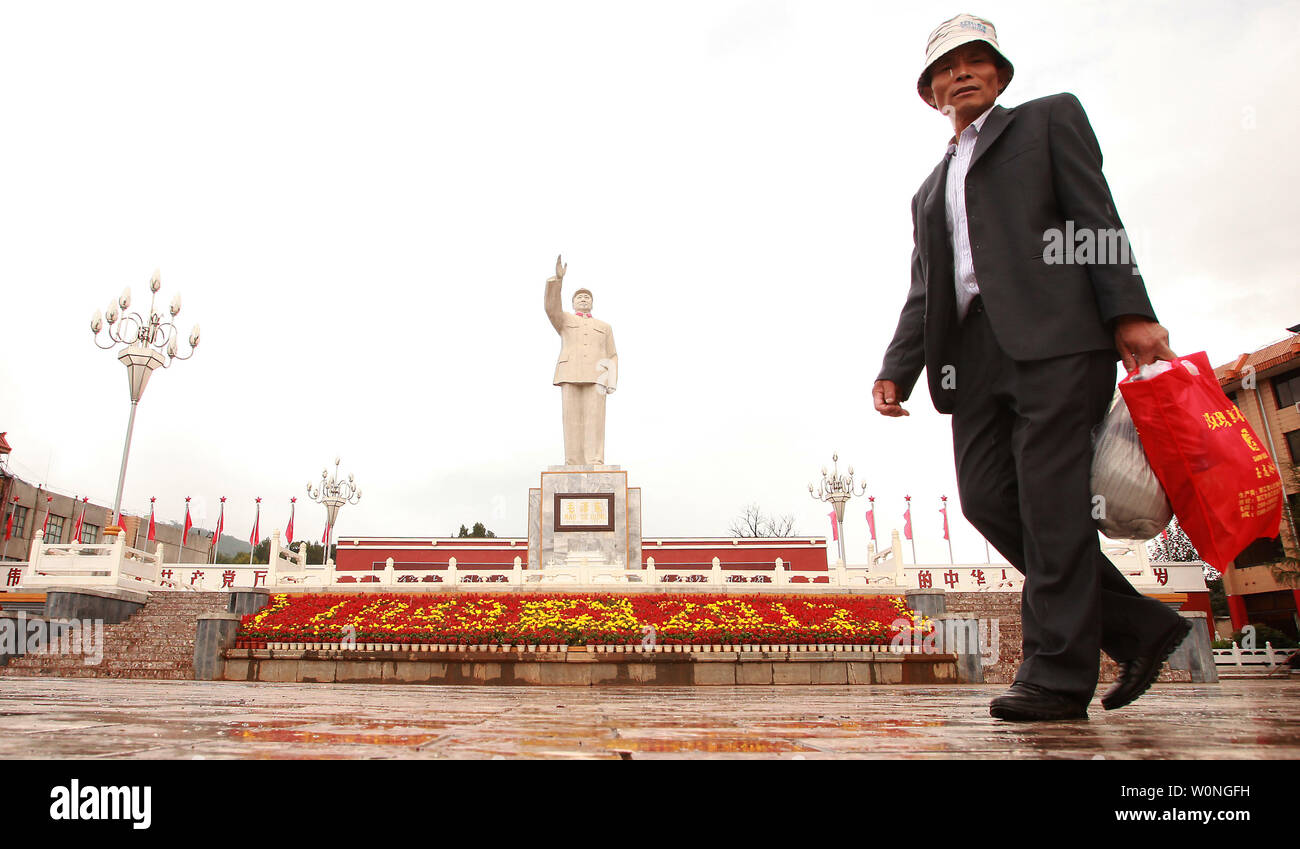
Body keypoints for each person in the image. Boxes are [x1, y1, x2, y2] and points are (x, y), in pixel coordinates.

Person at [873, 14, 1191, 720]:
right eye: (947, 66)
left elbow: (1094, 218)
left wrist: (1129, 312)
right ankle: (1140, 627)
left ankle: (1055, 677)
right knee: (988, 498)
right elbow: (928, 287)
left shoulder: (1047, 122)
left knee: (1052, 504)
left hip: (1058, 339)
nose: (963, 71)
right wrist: (898, 367)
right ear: (929, 93)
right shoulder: (928, 190)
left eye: (977, 60)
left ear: (1000, 74)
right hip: (972, 358)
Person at [545, 255, 618, 465]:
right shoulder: (565, 319)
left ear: (593, 303)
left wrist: (611, 380)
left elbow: (612, 354)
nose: (584, 299)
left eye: (587, 297)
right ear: (573, 302)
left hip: (597, 377)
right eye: (579, 297)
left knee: (595, 420)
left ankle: (595, 459)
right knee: (571, 419)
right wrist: (557, 281)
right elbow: (551, 308)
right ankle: (573, 460)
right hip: (569, 373)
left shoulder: (605, 327)